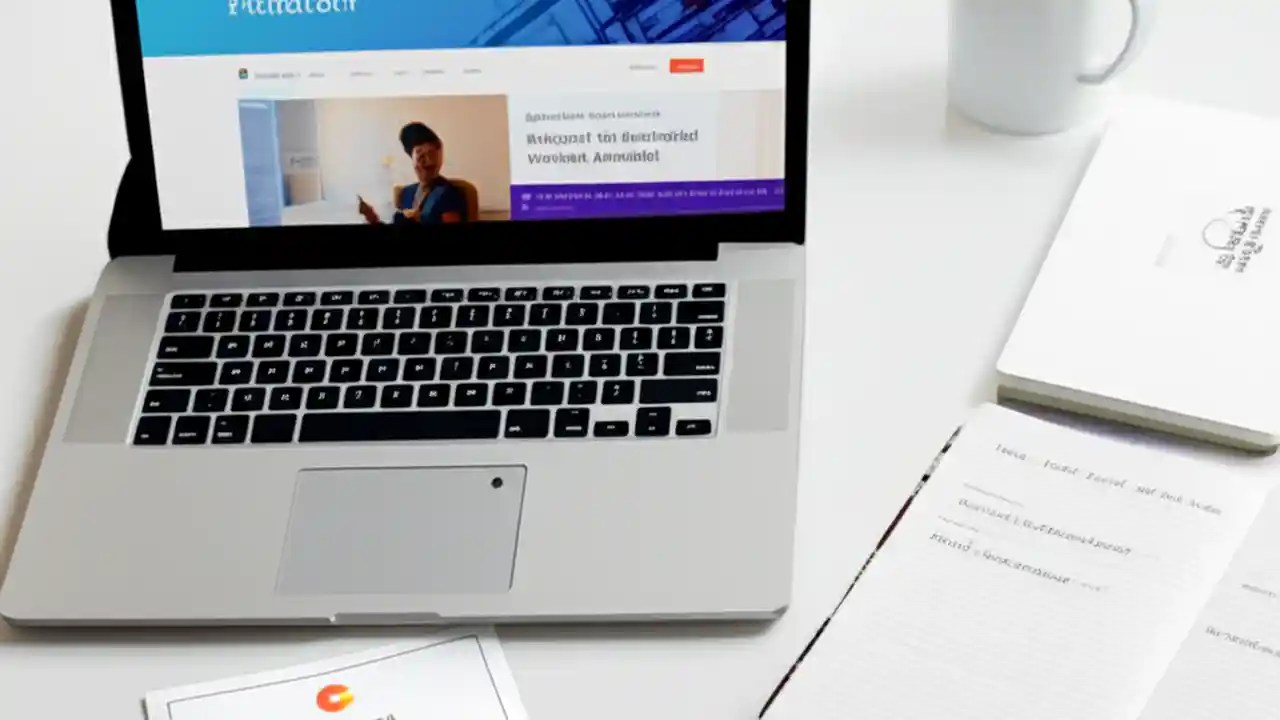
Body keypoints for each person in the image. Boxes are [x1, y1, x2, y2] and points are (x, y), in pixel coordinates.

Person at [358, 122, 469, 226]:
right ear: (412, 158)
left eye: (432, 154)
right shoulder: (407, 192)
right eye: (421, 156)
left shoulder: (449, 193)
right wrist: (372, 218)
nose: (429, 162)